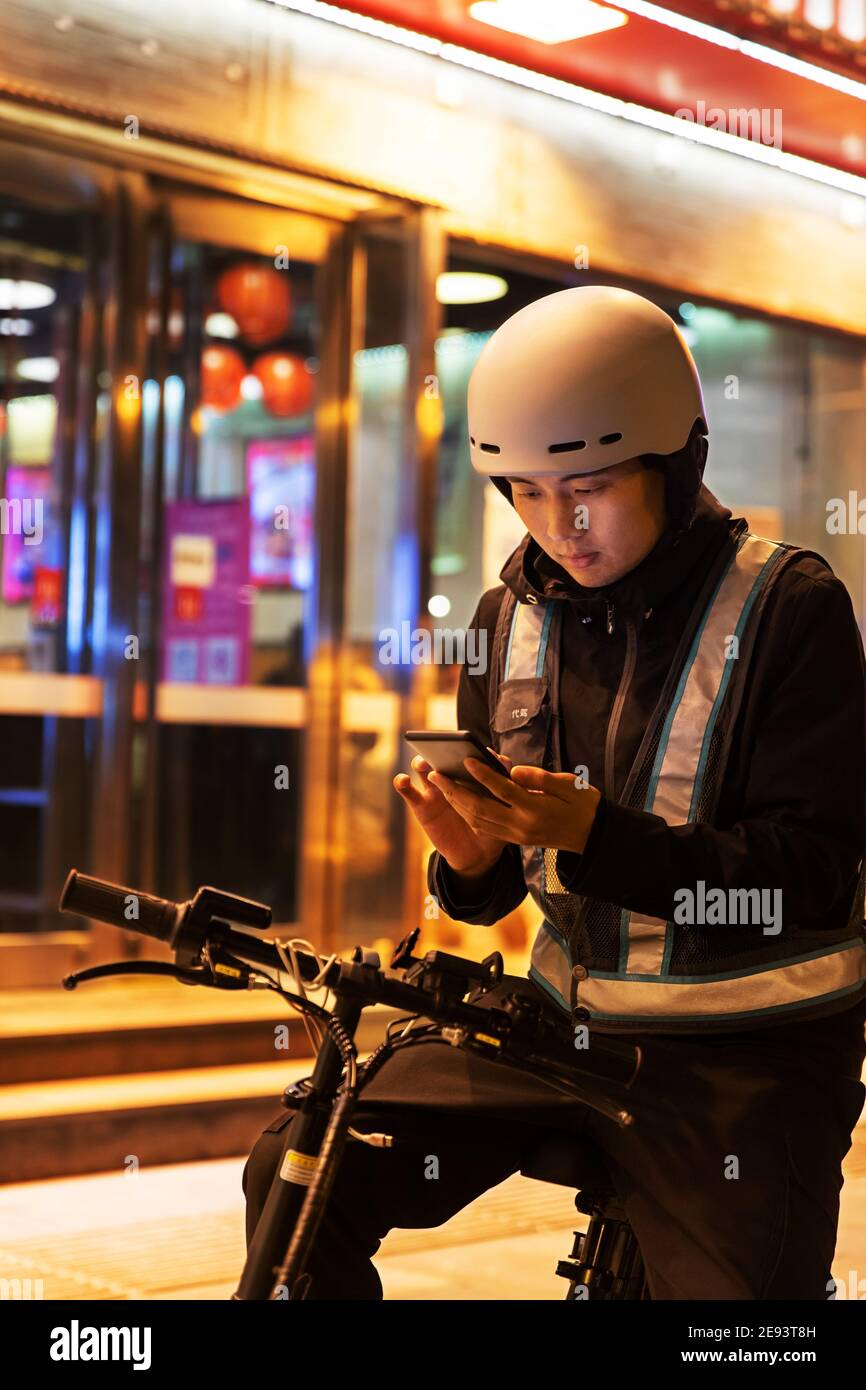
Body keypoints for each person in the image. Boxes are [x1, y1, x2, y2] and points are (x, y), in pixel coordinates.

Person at [242, 285, 866, 1299]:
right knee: (299, 1173)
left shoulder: (790, 607)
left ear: (675, 460)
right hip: (554, 1026)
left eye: (587, 486)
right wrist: (471, 863)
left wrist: (598, 837)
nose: (556, 523)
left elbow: (807, 875)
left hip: (744, 1060)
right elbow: (492, 895)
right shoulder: (505, 617)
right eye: (524, 492)